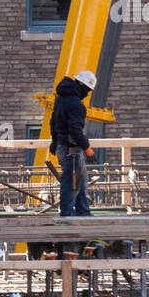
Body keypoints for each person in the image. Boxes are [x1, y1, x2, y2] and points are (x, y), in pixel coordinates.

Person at [49, 70, 97, 217]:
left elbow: (53, 122)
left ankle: (83, 212)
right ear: (82, 86)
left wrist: (54, 141)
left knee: (80, 182)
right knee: (71, 184)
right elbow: (75, 130)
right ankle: (67, 216)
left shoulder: (60, 99)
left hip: (62, 147)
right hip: (72, 151)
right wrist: (88, 148)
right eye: (88, 90)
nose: (87, 94)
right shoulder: (76, 105)